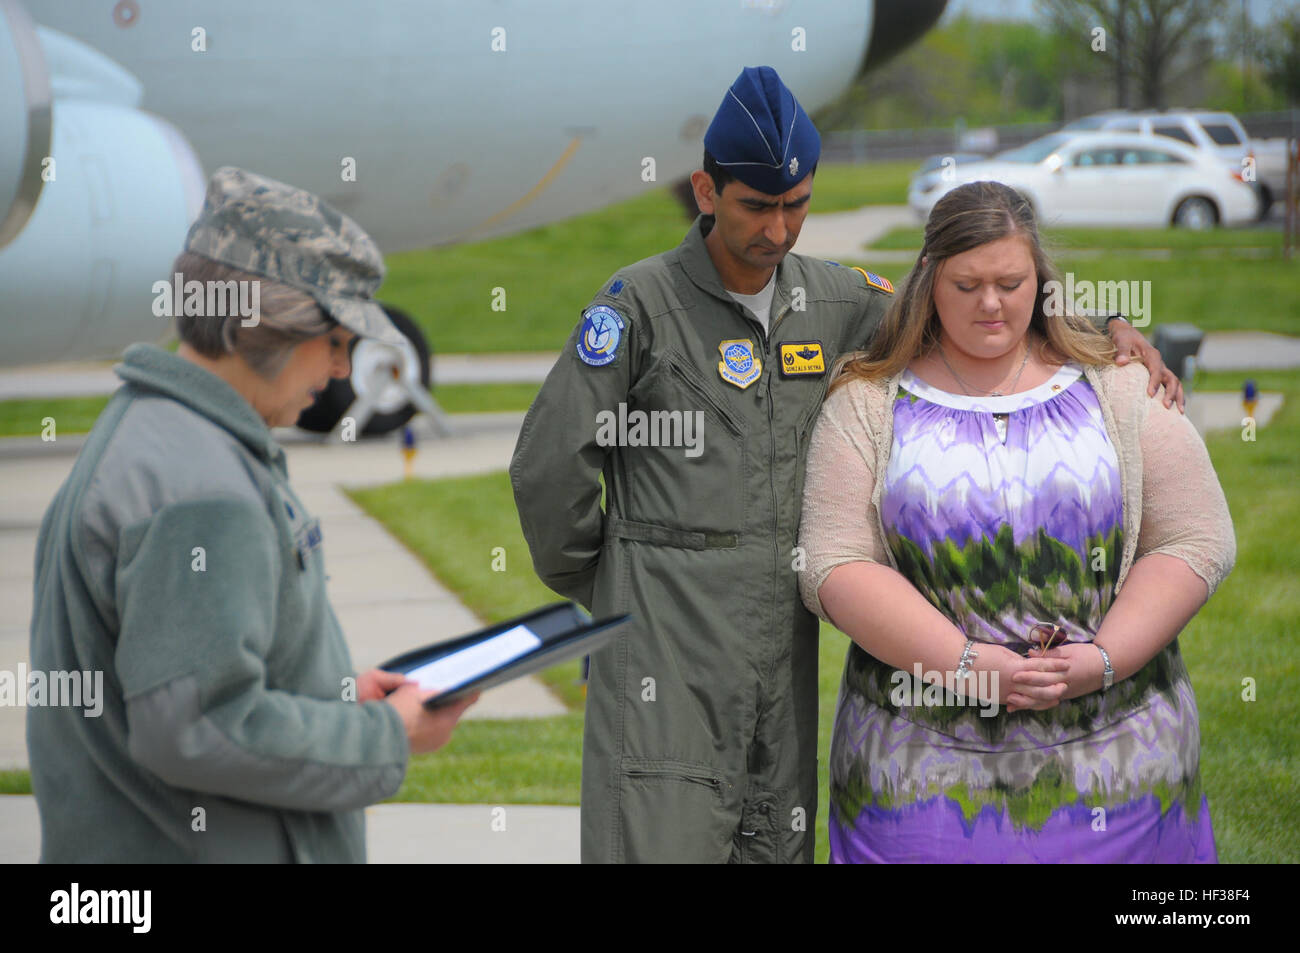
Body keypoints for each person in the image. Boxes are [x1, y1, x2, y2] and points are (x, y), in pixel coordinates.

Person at [510, 67, 1179, 864]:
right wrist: (615, 575)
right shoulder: (638, 308)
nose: (778, 228)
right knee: (660, 839)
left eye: (796, 204)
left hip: (782, 649)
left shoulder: (837, 301)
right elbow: (549, 467)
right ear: (705, 190)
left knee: (776, 841)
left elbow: (973, 304)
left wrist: (1104, 324)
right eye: (757, 205)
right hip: (666, 644)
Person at [27, 167, 476, 863]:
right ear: (262, 328)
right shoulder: (200, 486)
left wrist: (328, 695)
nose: (337, 370)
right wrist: (385, 734)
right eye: (333, 339)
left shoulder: (158, 434)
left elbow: (190, 674)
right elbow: (199, 725)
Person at [798, 180, 1234, 863]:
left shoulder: (1119, 381)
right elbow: (833, 561)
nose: (992, 303)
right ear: (927, 279)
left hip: (1126, 783)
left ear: (1042, 279)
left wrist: (1103, 660)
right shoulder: (866, 399)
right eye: (966, 283)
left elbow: (1196, 535)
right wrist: (967, 666)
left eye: (1011, 280)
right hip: (918, 787)